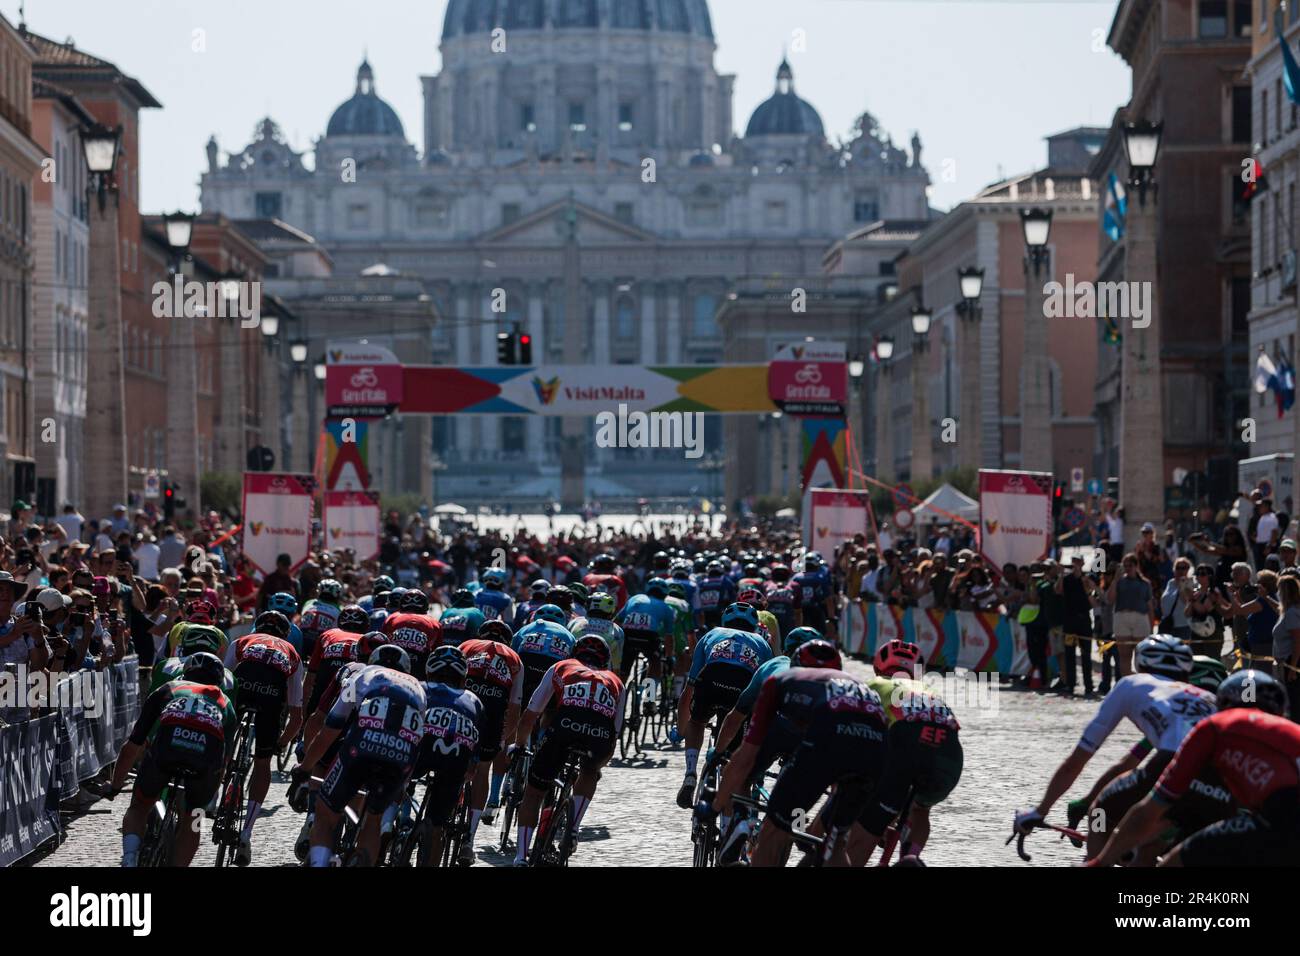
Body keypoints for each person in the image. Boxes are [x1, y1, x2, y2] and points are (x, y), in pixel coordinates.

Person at [1015, 635, 1219, 863]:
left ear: (1139, 663)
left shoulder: (1132, 684)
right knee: (1156, 838)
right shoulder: (1206, 698)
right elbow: (1130, 762)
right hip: (1219, 778)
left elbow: (1078, 761)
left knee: (1099, 812)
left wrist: (1041, 810)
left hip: (1172, 763)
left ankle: (1097, 860)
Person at [1089, 670, 1298, 867]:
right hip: (1266, 810)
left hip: (1277, 813)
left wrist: (1100, 861)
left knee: (1173, 860)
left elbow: (1148, 804)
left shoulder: (1213, 726)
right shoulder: (1290, 730)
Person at [300, 645, 426, 867]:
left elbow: (332, 726)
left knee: (325, 812)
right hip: (400, 757)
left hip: (362, 748)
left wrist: (305, 767)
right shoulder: (418, 688)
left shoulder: (361, 675)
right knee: (373, 820)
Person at [108, 652, 237, 866]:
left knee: (139, 806)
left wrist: (115, 786)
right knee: (194, 820)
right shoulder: (226, 702)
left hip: (165, 752)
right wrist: (208, 798)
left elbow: (133, 745)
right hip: (205, 763)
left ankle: (129, 858)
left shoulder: (168, 688)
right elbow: (225, 760)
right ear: (218, 680)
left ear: (185, 672)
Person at [511, 634, 624, 865]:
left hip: (565, 727)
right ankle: (573, 827)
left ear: (575, 654)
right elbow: (616, 732)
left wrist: (520, 744)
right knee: (590, 771)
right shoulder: (616, 682)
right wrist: (598, 765)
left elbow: (531, 714)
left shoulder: (562, 666)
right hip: (600, 735)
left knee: (533, 793)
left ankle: (521, 857)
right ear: (604, 662)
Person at [850, 639, 963, 864]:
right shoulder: (929, 691)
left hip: (907, 745)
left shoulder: (875, 684)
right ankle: (912, 856)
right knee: (921, 809)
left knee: (867, 818)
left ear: (878, 668)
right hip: (950, 754)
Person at [675, 602, 773, 809]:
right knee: (733, 745)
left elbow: (689, 690)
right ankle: (730, 795)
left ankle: (691, 772)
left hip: (712, 679)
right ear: (754, 624)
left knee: (698, 721)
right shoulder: (762, 643)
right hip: (742, 687)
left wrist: (682, 729)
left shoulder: (712, 634)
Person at [221, 630, 304, 865]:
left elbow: (222, 683)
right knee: (262, 763)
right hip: (271, 696)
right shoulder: (293, 653)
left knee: (222, 738)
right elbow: (296, 715)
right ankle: (246, 834)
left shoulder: (242, 641)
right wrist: (281, 743)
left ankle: (212, 795)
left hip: (242, 686)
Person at [409, 645, 484, 867]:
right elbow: (477, 750)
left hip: (420, 750)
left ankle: (387, 828)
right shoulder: (474, 700)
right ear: (463, 679)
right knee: (438, 824)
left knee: (392, 788)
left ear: (429, 672)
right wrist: (471, 768)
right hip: (456, 758)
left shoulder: (418, 687)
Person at [457, 621, 524, 861]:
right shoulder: (515, 658)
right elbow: (515, 706)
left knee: (452, 762)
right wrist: (503, 741)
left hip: (462, 706)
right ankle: (469, 839)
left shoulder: (467, 645)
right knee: (483, 769)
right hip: (493, 715)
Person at [1272, 574, 1300, 716]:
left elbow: (1297, 642)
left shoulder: (1292, 613)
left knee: (1295, 705)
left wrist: (1293, 668)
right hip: (1287, 663)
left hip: (1291, 663)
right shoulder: (1288, 611)